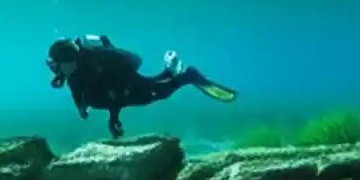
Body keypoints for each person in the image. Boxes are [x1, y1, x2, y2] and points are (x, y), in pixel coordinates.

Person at [46, 34, 236, 139]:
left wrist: (113, 119)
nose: (55, 70)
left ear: (69, 61)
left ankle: (188, 75)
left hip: (130, 86)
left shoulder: (88, 72)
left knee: (157, 93)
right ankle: (169, 70)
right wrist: (87, 110)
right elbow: (91, 94)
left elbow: (112, 96)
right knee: (153, 86)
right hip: (126, 87)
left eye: (57, 65)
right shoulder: (78, 74)